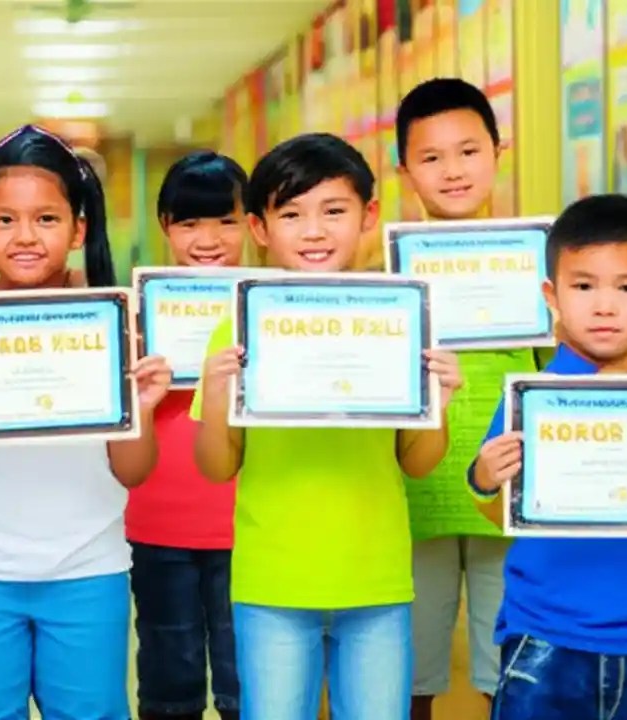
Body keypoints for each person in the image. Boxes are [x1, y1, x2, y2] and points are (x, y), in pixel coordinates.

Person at [0, 125, 173, 720]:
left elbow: (131, 471)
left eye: (46, 220)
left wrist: (143, 411)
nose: (25, 237)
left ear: (78, 229)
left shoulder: (111, 327)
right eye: (5, 221)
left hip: (87, 568)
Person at [192, 133, 463, 720]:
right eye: (291, 214)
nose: (314, 231)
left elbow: (417, 462)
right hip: (273, 581)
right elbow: (217, 466)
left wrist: (435, 399)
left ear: (368, 216)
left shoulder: (398, 318)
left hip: (377, 578)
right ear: (261, 228)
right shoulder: (236, 327)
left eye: (333, 211)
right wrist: (215, 397)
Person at [470, 193, 627, 720]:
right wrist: (486, 478)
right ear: (553, 295)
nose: (605, 306)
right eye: (583, 286)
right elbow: (498, 511)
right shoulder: (532, 398)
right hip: (544, 638)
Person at [394, 77, 537, 719]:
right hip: (413, 492)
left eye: (468, 151)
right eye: (431, 157)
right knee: (411, 676)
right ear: (405, 171)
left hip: (505, 490)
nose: (452, 171)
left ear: (498, 151)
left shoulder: (539, 266)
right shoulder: (387, 273)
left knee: (503, 668)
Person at [127, 150, 246, 720]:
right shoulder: (134, 315)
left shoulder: (272, 307)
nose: (209, 239)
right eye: (190, 222)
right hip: (157, 520)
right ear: (165, 228)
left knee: (243, 681)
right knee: (168, 680)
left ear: (255, 225)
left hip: (249, 519)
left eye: (227, 221)